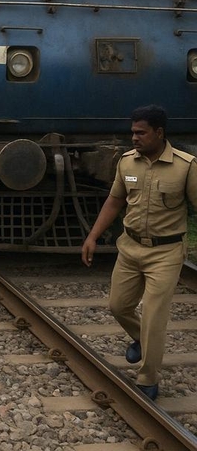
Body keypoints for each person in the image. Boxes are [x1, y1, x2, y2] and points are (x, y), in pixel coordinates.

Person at [81, 105, 197, 400]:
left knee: (154, 316)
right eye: (133, 132)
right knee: (118, 306)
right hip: (130, 248)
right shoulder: (126, 163)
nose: (134, 137)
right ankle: (141, 340)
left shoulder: (186, 166)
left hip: (166, 252)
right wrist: (92, 236)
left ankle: (148, 379)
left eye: (141, 132)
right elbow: (114, 201)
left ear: (159, 133)